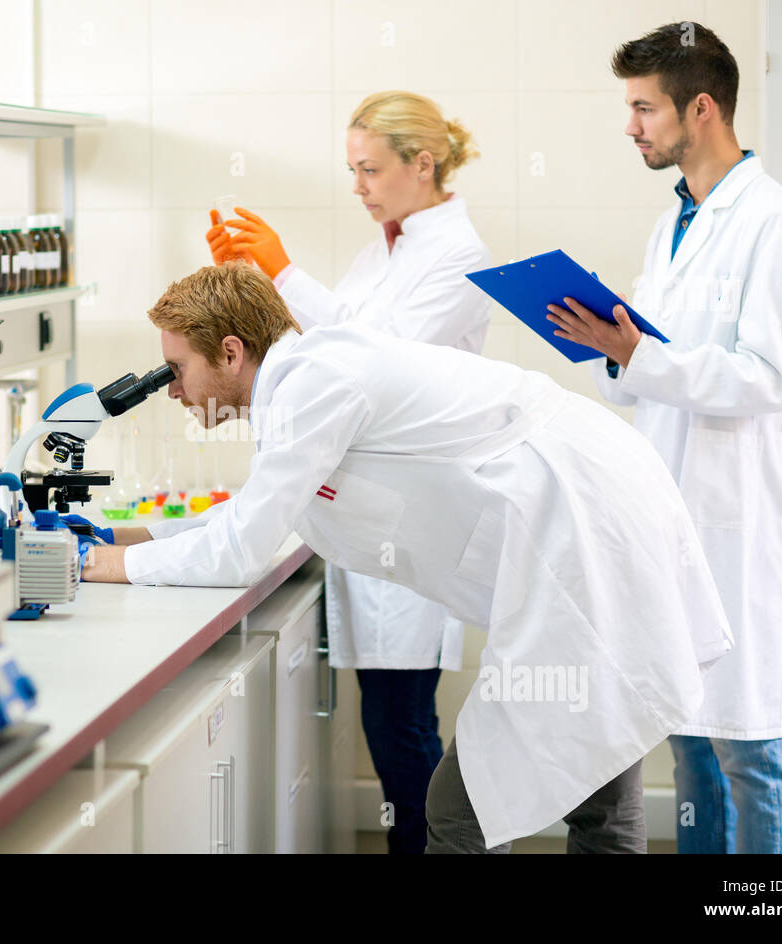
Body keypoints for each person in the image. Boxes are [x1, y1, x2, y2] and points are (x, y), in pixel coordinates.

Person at [80, 262, 735, 852]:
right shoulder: (305, 383)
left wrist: (110, 568)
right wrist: (125, 540)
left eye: (176, 370)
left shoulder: (314, 384)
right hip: (589, 516)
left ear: (229, 352)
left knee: (465, 807)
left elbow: (245, 545)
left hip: (580, 530)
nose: (171, 390)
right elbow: (253, 510)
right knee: (596, 770)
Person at [545, 22, 782, 854]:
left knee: (751, 748)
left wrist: (642, 354)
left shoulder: (776, 225)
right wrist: (615, 352)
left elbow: (770, 380)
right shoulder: (673, 226)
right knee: (691, 744)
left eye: (644, 108)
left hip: (734, 520)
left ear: (700, 108)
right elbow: (655, 373)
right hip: (669, 517)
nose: (631, 125)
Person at [204, 91, 492, 855]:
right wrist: (258, 282)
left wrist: (285, 269)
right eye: (352, 169)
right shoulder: (387, 249)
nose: (358, 186)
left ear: (421, 164)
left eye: (370, 169)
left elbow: (379, 362)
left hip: (415, 519)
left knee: (402, 726)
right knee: (391, 723)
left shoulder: (457, 254)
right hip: (375, 515)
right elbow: (333, 347)